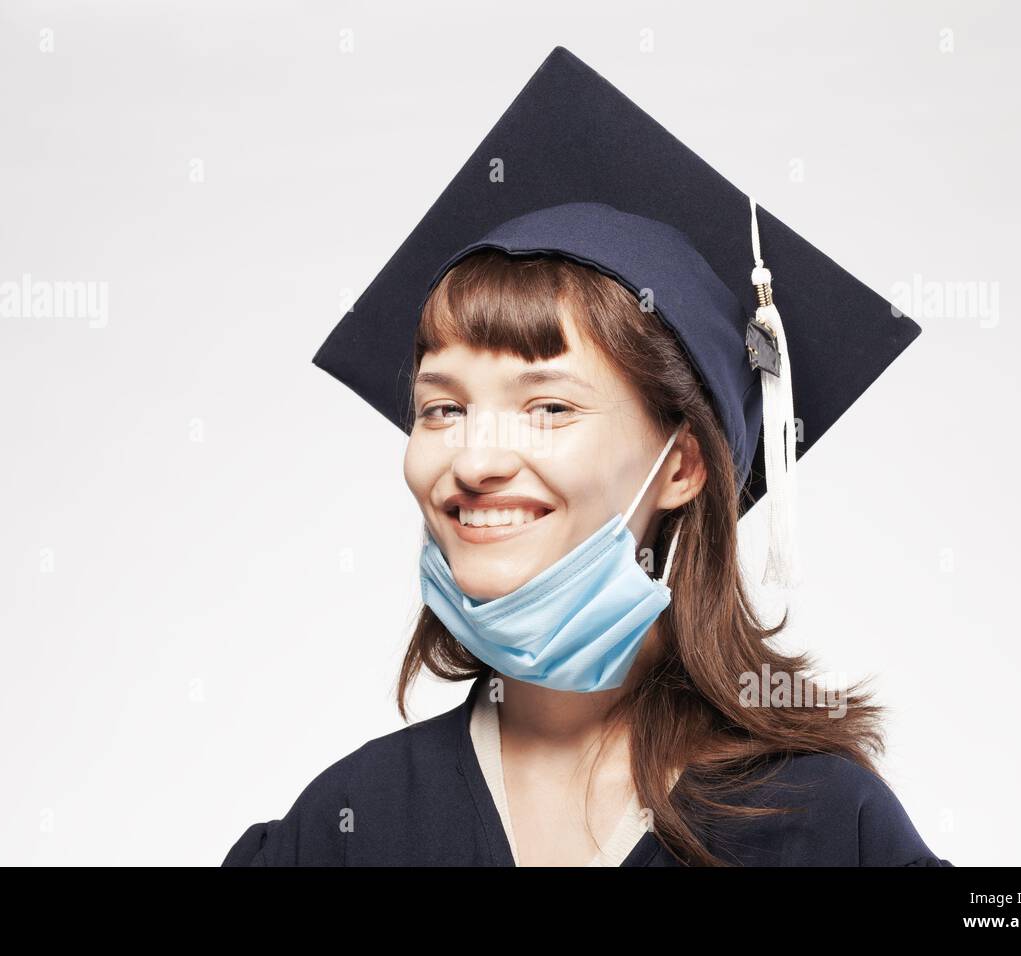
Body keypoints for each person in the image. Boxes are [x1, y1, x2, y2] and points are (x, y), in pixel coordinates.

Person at [223, 47, 952, 867]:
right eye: (443, 408)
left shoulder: (817, 824)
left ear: (681, 466)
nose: (475, 460)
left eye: (549, 408)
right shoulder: (349, 825)